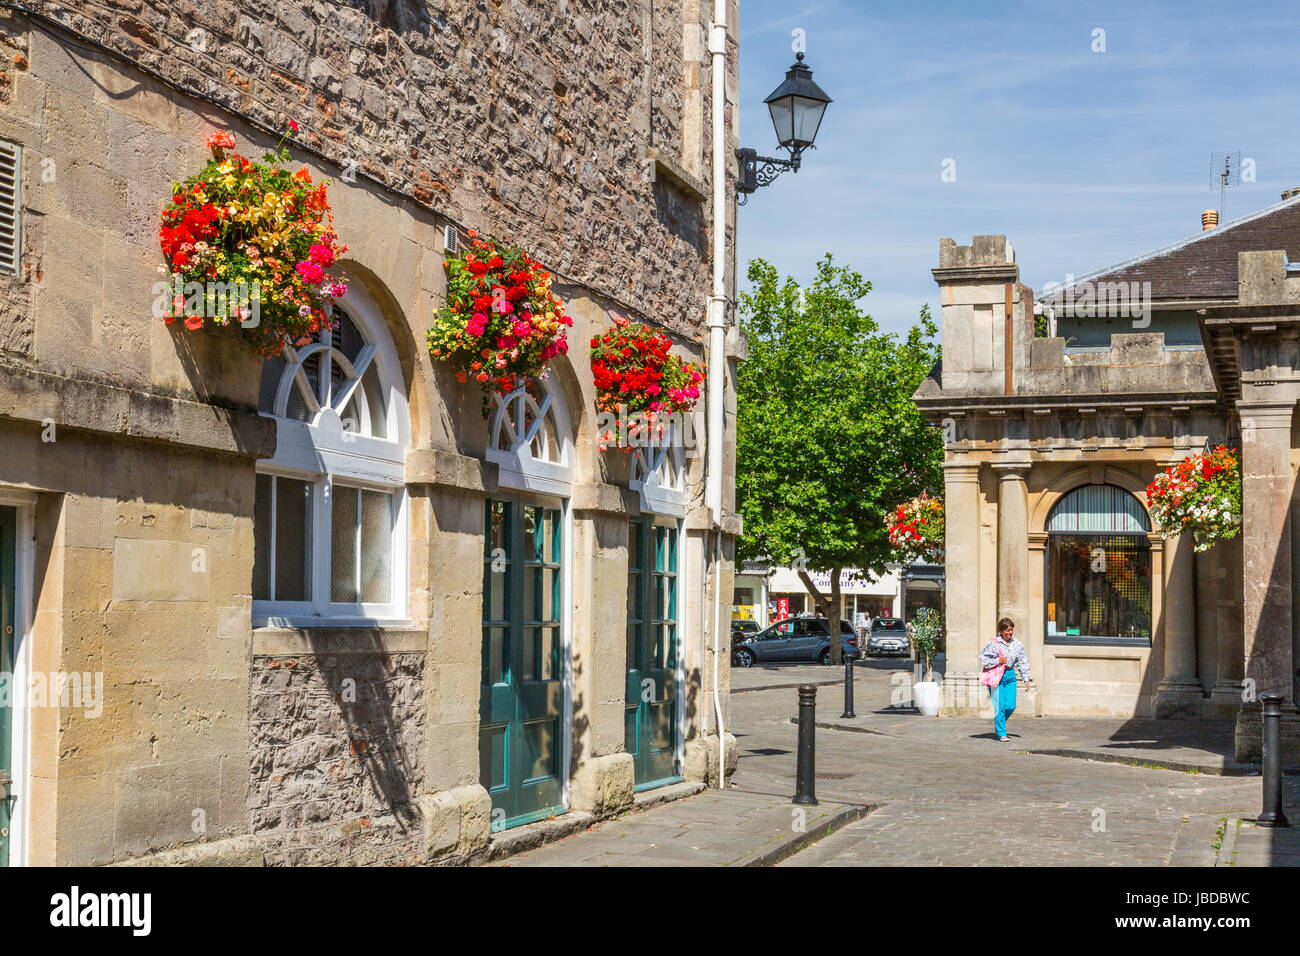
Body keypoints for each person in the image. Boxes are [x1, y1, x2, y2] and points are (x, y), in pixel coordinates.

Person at [979, 617, 1034, 741]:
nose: (1010, 632)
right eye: (1008, 630)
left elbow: (1023, 662)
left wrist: (1026, 680)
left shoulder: (1017, 644)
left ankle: (999, 721)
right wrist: (997, 660)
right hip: (996, 677)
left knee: (1010, 705)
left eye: (1011, 630)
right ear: (1001, 631)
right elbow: (982, 658)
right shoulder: (993, 643)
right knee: (1000, 706)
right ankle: (1001, 732)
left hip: (1010, 675)